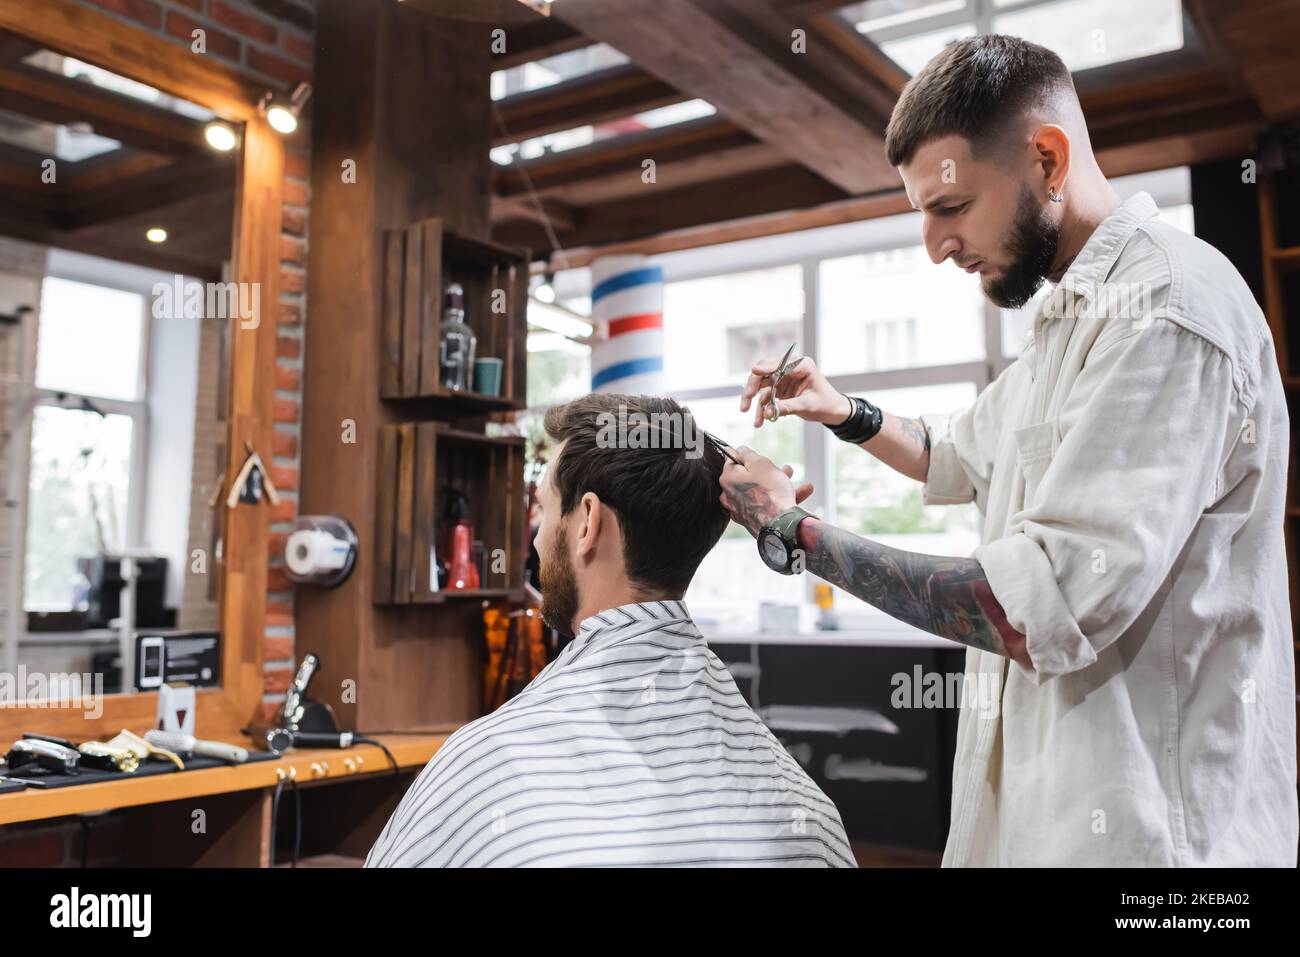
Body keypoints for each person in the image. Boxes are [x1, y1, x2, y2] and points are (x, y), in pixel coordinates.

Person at [720, 35, 1297, 866]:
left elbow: (1035, 606)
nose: (932, 245)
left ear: (1048, 160)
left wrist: (792, 532)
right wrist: (841, 409)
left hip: (1160, 858)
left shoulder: (1165, 310)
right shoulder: (1073, 321)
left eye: (950, 209)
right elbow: (953, 453)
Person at [367, 393, 854, 867]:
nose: (535, 538)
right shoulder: (805, 811)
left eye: (545, 507)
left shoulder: (485, 765)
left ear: (587, 524)